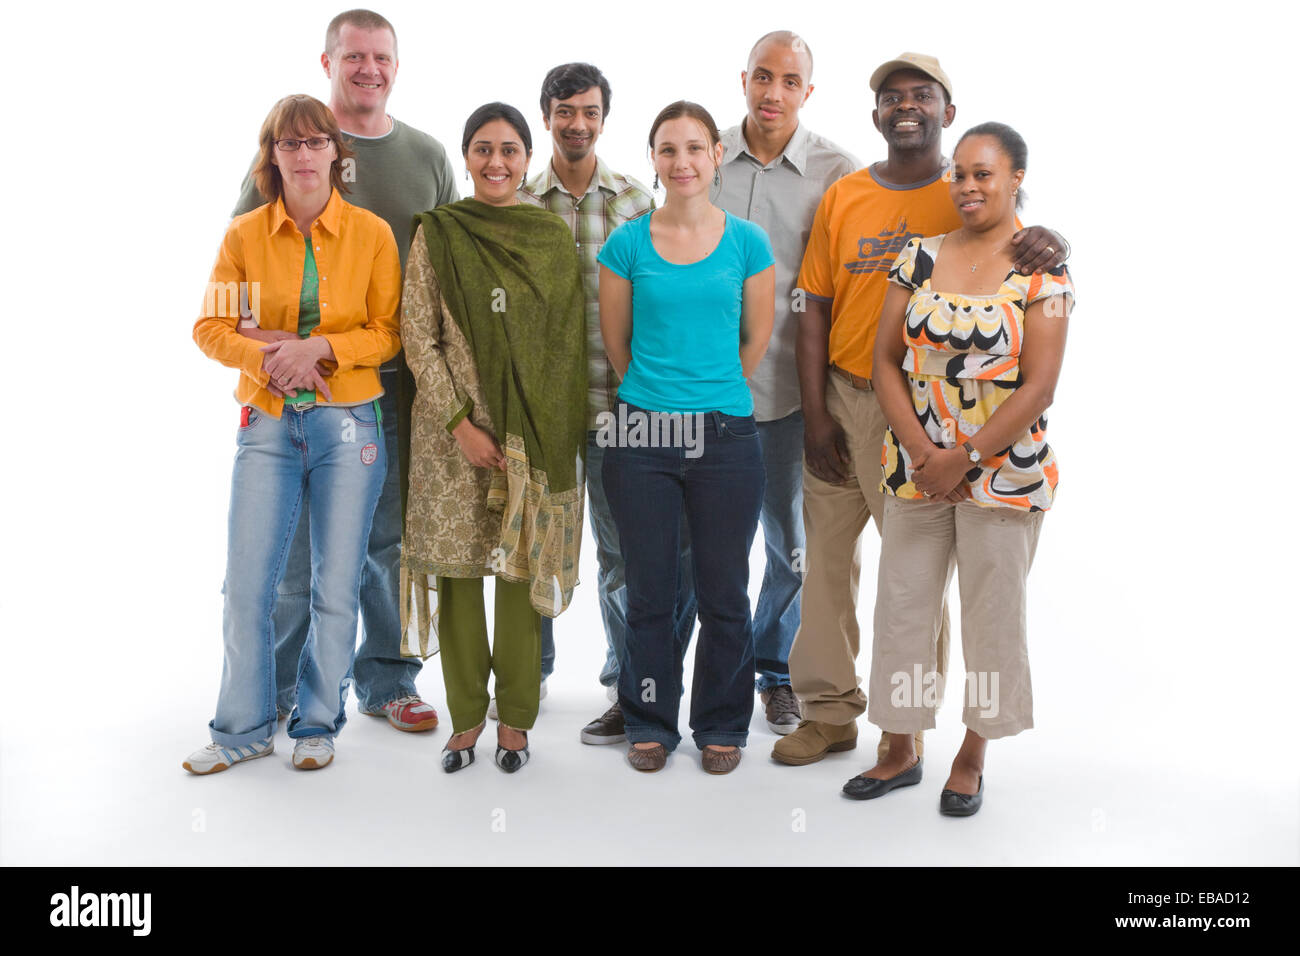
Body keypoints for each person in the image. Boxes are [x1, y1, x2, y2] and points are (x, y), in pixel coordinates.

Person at [776, 53, 1069, 767]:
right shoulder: (853, 199)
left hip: (963, 438)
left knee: (949, 594)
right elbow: (815, 307)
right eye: (891, 97)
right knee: (851, 578)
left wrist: (1059, 241)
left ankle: (941, 737)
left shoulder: (983, 213)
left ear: (947, 110)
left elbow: (1037, 344)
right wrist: (816, 414)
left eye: (921, 95)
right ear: (876, 114)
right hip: (864, 408)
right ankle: (845, 717)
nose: (905, 106)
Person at [230, 8, 459, 735]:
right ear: (328, 62)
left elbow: (449, 274)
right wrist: (279, 354)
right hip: (291, 390)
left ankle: (388, 680)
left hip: (393, 383)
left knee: (386, 539)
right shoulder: (292, 146)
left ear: (397, 66)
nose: (369, 69)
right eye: (355, 56)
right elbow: (239, 279)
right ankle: (282, 688)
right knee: (296, 547)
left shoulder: (426, 156)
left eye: (381, 57)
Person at [845, 122, 1073, 815]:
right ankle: (900, 746)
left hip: (1004, 477)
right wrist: (925, 455)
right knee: (904, 612)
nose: (968, 187)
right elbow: (885, 361)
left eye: (984, 174)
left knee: (991, 621)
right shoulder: (917, 256)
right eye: (960, 174)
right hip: (916, 470)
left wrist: (965, 458)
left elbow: (1040, 386)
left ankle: (973, 754)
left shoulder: (1046, 272)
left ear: (1015, 179)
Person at [187, 93, 401, 774]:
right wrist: (272, 357)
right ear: (272, 156)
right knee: (248, 586)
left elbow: (388, 334)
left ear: (337, 153)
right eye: (290, 143)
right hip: (268, 424)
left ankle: (317, 724)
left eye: (316, 142)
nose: (304, 154)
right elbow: (210, 328)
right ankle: (241, 730)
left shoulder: (372, 233)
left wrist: (321, 349)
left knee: (335, 585)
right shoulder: (244, 235)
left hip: (350, 427)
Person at [400, 103, 586, 774]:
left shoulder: (548, 236)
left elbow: (562, 344)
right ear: (466, 157)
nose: (496, 161)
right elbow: (417, 334)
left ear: (527, 159)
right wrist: (461, 425)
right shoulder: (441, 232)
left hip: (524, 435)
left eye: (509, 149)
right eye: (483, 148)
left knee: (516, 571)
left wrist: (526, 434)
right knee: (456, 575)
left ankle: (515, 722)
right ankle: (465, 719)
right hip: (448, 436)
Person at [517, 62, 695, 746]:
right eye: (564, 111)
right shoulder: (520, 204)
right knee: (535, 547)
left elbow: (661, 303)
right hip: (541, 413)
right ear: (546, 116)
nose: (577, 123)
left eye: (589, 111)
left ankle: (629, 686)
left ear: (603, 119)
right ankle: (528, 673)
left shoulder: (636, 202)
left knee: (625, 557)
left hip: (620, 410)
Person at [599, 101, 775, 774]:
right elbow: (618, 347)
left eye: (695, 148)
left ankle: (723, 723)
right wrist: (663, 398)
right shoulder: (626, 244)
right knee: (650, 591)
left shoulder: (748, 243)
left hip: (725, 437)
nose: (682, 162)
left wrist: (706, 397)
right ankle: (649, 719)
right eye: (668, 149)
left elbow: (753, 342)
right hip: (642, 435)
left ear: (716, 156)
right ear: (653, 159)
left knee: (724, 591)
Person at [713, 30, 858, 735]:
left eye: (789, 81)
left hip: (791, 395)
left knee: (790, 551)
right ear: (743, 78)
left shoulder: (837, 172)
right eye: (763, 76)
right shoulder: (702, 153)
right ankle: (702, 679)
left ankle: (776, 673)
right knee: (705, 550)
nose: (773, 93)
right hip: (705, 394)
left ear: (808, 91)